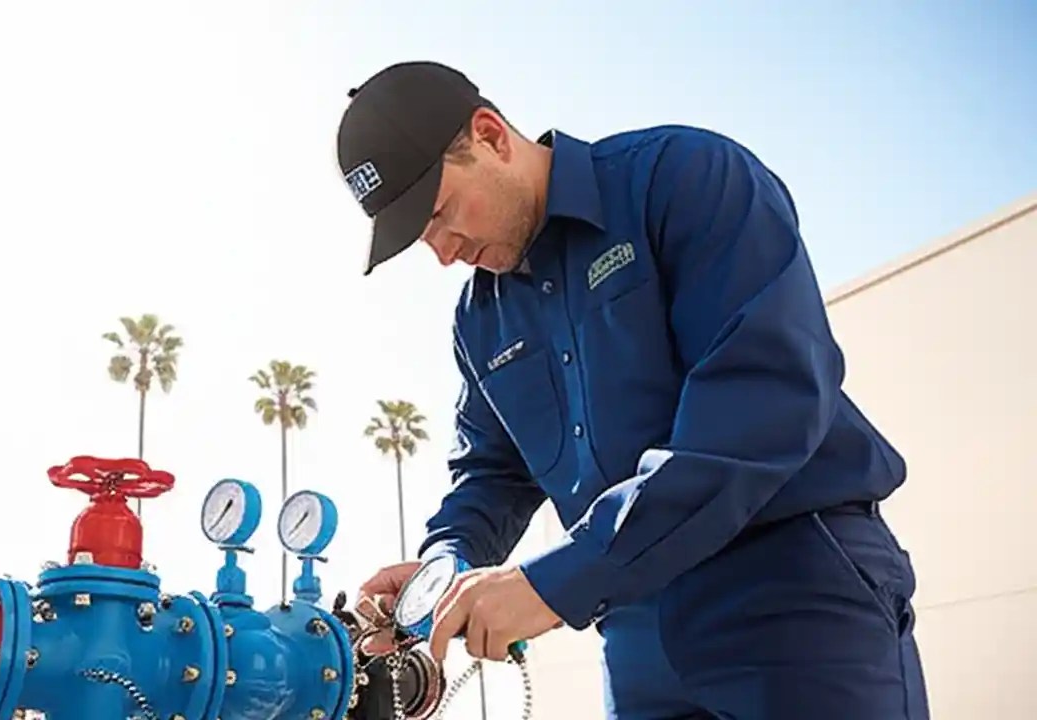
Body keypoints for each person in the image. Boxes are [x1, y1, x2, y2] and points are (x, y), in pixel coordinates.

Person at [333, 60, 930, 720]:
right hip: (635, 639)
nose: (443, 252)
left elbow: (760, 406)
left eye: (440, 213)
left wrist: (555, 583)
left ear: (491, 136)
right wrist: (441, 570)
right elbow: (491, 474)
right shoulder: (480, 319)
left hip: (789, 594)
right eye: (422, 239)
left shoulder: (684, 179)